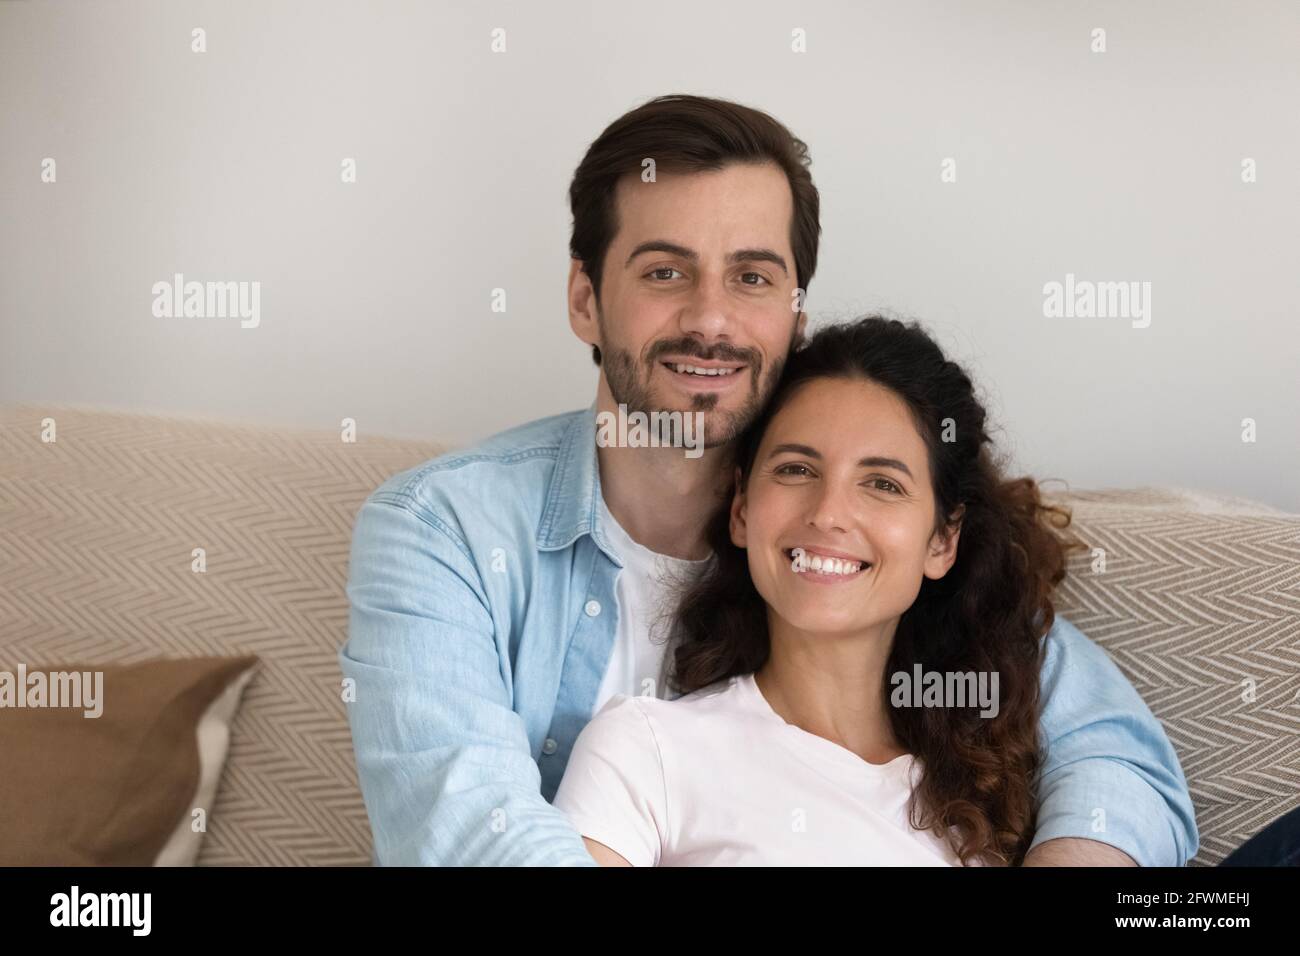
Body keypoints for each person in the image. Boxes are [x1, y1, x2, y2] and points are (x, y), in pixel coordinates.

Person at [338, 93, 1197, 865]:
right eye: (664, 271)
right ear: (585, 300)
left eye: (752, 277)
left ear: (794, 313)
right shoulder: (442, 529)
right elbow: (469, 835)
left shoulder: (839, 540)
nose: (711, 319)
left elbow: (1111, 751)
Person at [551, 314, 1176, 866]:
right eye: (796, 469)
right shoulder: (647, 750)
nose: (828, 513)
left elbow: (1122, 768)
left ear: (941, 542)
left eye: (882, 484)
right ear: (742, 507)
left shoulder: (979, 800)